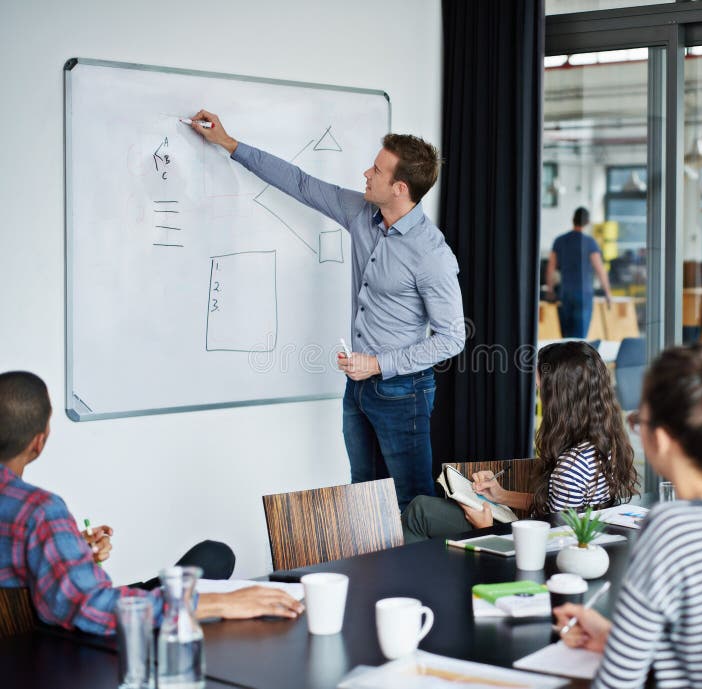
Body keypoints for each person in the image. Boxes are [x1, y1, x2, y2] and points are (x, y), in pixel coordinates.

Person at [189, 111, 466, 511]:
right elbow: (301, 183)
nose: (366, 173)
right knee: (363, 499)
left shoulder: (431, 254)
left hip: (403, 391)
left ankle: (414, 574)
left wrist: (378, 363)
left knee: (412, 503)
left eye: (377, 169)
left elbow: (453, 337)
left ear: (400, 188)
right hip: (358, 387)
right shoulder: (361, 214)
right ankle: (373, 576)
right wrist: (230, 144)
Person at [553, 345, 702, 689]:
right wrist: (616, 639)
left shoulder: (673, 528)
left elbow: (615, 685)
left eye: (639, 422)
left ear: (663, 439)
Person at [0, 371, 304, 636]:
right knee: (213, 558)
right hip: (84, 634)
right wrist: (223, 603)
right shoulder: (40, 511)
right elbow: (90, 607)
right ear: (39, 442)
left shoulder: (35, 517)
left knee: (214, 556)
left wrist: (70, 547)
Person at [402, 341, 637, 542]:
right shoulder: (606, 442)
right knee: (423, 508)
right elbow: (559, 509)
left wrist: (484, 529)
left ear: (561, 398)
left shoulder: (571, 465)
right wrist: (501, 495)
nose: (540, 398)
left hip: (529, 546)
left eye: (541, 391)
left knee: (419, 510)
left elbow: (552, 548)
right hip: (539, 531)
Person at [546, 207, 613, 338]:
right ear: (587, 222)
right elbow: (600, 269)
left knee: (566, 336)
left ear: (573, 220)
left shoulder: (560, 240)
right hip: (584, 294)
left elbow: (550, 268)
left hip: (565, 293)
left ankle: (566, 358)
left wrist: (550, 290)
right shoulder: (589, 242)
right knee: (580, 337)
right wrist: (608, 293)